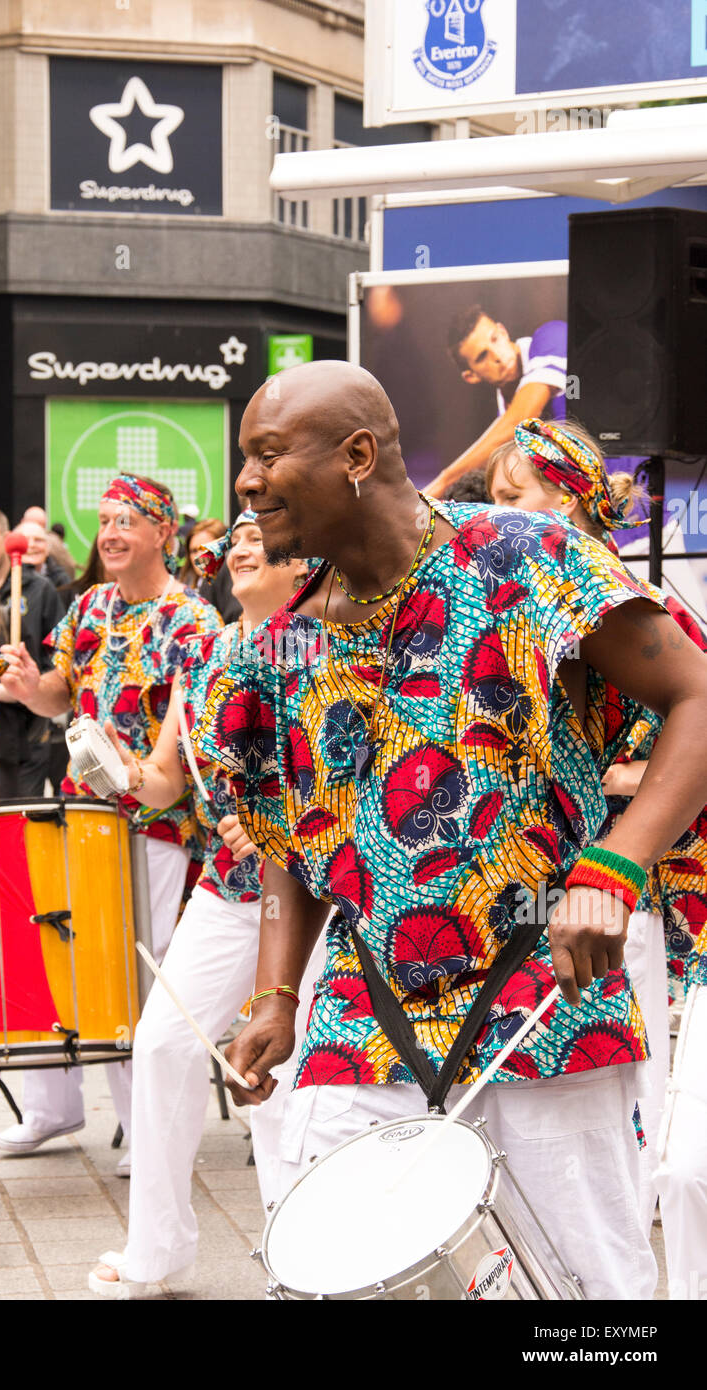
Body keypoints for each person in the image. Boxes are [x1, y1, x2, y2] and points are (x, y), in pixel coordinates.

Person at [193, 360, 707, 1301]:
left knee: (588, 1296)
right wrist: (275, 993)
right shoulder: (279, 645)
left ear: (356, 456)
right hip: (363, 1019)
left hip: (542, 1008)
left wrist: (614, 864)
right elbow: (293, 841)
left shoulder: (525, 561)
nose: (246, 482)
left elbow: (698, 697)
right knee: (337, 1278)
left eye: (268, 454)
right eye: (245, 460)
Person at [487, 419, 707, 1294]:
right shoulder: (508, 600)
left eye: (515, 498)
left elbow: (686, 741)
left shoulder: (640, 606)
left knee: (631, 1147)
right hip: (530, 903)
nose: (496, 516)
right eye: (493, 500)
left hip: (628, 900)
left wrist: (606, 780)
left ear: (573, 500)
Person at [87, 511, 310, 1297]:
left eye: (263, 539)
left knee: (285, 1083)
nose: (243, 549)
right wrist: (117, 772)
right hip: (227, 889)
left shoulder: (321, 647)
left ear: (305, 561)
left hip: (314, 896)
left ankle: (303, 1255)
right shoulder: (203, 652)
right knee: (163, 1046)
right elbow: (167, 781)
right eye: (237, 540)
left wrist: (278, 827)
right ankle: (160, 1252)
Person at [0, 473, 222, 1173]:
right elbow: (62, 686)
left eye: (127, 519)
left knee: (131, 969)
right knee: (56, 949)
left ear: (163, 532)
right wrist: (33, 688)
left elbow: (194, 737)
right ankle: (53, 1106)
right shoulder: (90, 604)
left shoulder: (192, 620)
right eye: (104, 520)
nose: (112, 532)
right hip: (78, 806)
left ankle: (142, 1124)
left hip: (152, 816)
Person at [0, 507, 63, 799]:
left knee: (20, 821)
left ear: (7, 539)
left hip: (27, 730)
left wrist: (30, 686)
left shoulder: (39, 590)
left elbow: (57, 660)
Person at [425, 306, 567, 496]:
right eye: (483, 356)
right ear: (471, 376)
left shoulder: (552, 337)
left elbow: (520, 419)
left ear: (503, 331)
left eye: (495, 339)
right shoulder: (502, 426)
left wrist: (441, 483)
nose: (498, 356)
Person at [181, 517, 240, 623]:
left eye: (206, 549)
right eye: (194, 551)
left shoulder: (237, 587)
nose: (199, 556)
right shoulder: (182, 588)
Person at [17, 517, 73, 592]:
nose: (31, 545)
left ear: (47, 548)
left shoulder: (62, 581)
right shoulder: (4, 580)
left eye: (38, 540)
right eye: (25, 540)